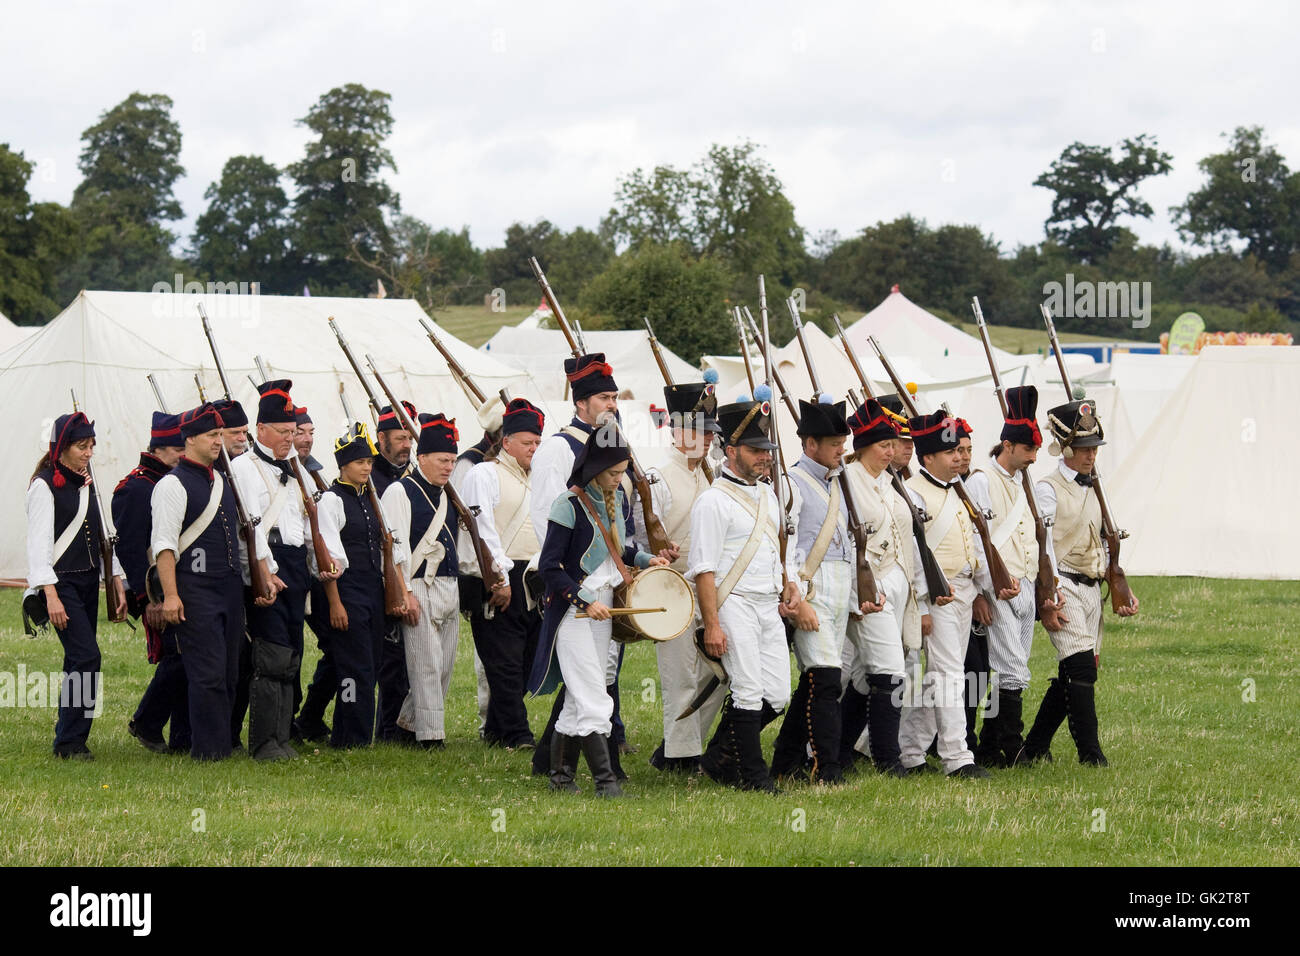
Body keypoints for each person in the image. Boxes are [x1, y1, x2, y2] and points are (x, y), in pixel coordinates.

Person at [531, 430, 670, 796]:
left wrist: (645, 558)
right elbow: (550, 566)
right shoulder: (567, 505)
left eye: (622, 472)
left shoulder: (613, 499)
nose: (618, 479)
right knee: (594, 694)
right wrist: (581, 599)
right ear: (593, 469)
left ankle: (561, 778)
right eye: (612, 473)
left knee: (580, 694)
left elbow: (616, 549)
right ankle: (606, 783)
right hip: (574, 612)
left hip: (604, 607)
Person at [528, 353, 638, 775]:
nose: (612, 404)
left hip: (606, 579)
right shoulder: (558, 448)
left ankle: (555, 764)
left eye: (613, 397)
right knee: (586, 676)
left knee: (596, 673)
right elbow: (547, 516)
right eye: (605, 398)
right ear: (582, 404)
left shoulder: (613, 444)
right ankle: (598, 769)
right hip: (574, 583)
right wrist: (569, 582)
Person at [689, 398, 803, 793]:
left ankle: (720, 758)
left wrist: (788, 583)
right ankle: (754, 777)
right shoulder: (713, 501)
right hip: (732, 601)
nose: (764, 459)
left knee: (776, 693)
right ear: (732, 450)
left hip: (766, 604)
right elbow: (704, 570)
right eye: (756, 451)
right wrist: (712, 626)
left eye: (766, 452)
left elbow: (775, 547)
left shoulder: (768, 495)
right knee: (749, 690)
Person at [151, 403, 273, 760]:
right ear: (190, 440)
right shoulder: (171, 485)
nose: (219, 441)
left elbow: (244, 533)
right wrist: (171, 596)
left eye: (221, 434)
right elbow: (164, 546)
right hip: (195, 588)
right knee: (207, 674)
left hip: (228, 587)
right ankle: (209, 752)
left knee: (230, 670)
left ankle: (220, 743)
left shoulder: (221, 480)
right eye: (211, 435)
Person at [1021, 398, 1139, 766]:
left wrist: (1119, 578)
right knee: (1082, 670)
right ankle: (1091, 754)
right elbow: (1045, 546)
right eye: (1085, 448)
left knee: (1074, 671)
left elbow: (1105, 539)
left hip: (1091, 588)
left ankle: (1035, 746)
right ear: (1067, 447)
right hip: (1064, 584)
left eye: (1094, 449)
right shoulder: (1047, 488)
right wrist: (1050, 592)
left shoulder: (1093, 486)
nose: (1091, 456)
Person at [899, 410, 1014, 779]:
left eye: (962, 452)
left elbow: (973, 546)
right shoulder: (913, 493)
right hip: (938, 593)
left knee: (940, 674)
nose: (961, 458)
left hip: (963, 590)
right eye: (952, 453)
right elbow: (915, 554)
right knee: (949, 675)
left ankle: (912, 751)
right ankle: (957, 757)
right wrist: (921, 602)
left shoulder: (959, 490)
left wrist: (985, 586)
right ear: (928, 456)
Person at [964, 387, 1059, 767]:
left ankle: (992, 746)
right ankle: (1009, 744)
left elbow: (1040, 537)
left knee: (1012, 670)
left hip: (1026, 586)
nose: (1034, 457)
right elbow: (977, 541)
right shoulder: (982, 480)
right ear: (1008, 444)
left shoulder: (1025, 482)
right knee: (1011, 669)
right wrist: (986, 589)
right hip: (1000, 588)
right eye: (1028, 450)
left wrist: (1045, 586)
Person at [26, 410, 128, 759]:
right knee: (87, 657)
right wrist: (49, 594)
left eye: (91, 446)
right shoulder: (43, 486)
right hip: (62, 584)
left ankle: (69, 738)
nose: (88, 453)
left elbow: (101, 536)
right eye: (82, 446)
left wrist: (114, 578)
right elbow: (38, 547)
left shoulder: (86, 481)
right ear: (62, 448)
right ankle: (70, 742)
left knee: (79, 659)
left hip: (85, 582)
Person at [229, 379, 322, 761]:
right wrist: (264, 571)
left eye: (292, 432)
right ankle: (264, 742)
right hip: (268, 563)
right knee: (271, 658)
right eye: (283, 432)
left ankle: (282, 736)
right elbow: (249, 526)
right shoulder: (243, 468)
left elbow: (304, 523)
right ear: (261, 430)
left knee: (293, 654)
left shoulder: (295, 467)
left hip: (296, 564)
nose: (290, 439)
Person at [639, 381, 725, 774]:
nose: (706, 439)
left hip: (707, 588)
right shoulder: (656, 477)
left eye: (710, 431)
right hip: (671, 588)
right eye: (698, 430)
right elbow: (642, 537)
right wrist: (659, 554)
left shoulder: (709, 475)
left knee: (720, 675)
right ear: (676, 430)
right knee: (680, 679)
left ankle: (676, 746)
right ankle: (680, 756)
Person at [770, 397, 855, 785]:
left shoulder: (838, 484)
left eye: (843, 441)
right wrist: (796, 596)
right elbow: (784, 544)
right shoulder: (791, 483)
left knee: (818, 679)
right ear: (810, 445)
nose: (842, 449)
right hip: (810, 586)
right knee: (823, 680)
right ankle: (827, 769)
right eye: (835, 443)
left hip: (840, 587)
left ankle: (786, 760)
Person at [462, 398, 547, 750]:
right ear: (507, 441)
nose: (533, 449)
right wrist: (498, 577)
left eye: (538, 443)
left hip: (533, 578)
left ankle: (497, 729)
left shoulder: (540, 478)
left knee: (526, 660)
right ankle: (518, 733)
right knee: (505, 662)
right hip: (497, 576)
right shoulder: (484, 473)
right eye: (527, 443)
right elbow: (481, 528)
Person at [840, 399, 917, 776]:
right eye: (883, 445)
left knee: (861, 675)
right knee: (890, 673)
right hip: (868, 586)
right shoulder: (847, 481)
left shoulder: (890, 481)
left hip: (899, 584)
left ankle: (839, 749)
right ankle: (888, 759)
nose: (891, 452)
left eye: (893, 445)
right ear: (863, 446)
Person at [381, 414, 462, 749]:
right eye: (443, 460)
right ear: (423, 457)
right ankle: (431, 737)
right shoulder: (400, 491)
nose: (448, 467)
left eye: (453, 461)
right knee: (425, 665)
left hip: (449, 586)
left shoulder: (448, 496)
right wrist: (406, 593)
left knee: (443, 666)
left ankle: (409, 725)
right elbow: (395, 546)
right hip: (418, 585)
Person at [115, 411, 189, 754]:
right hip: (155, 589)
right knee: (177, 656)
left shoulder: (173, 481)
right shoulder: (136, 488)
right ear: (160, 449)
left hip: (180, 584)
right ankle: (147, 721)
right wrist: (149, 600)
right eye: (178, 450)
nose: (183, 457)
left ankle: (179, 734)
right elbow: (131, 550)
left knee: (188, 655)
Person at [312, 425, 387, 748]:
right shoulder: (331, 500)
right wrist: (335, 602)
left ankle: (350, 731)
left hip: (372, 589)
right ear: (344, 465)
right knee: (354, 669)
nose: (366, 468)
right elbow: (329, 559)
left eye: (369, 462)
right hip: (347, 591)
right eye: (360, 463)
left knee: (369, 664)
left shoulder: (370, 497)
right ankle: (351, 738)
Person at [451, 395, 504, 743]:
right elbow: (467, 523)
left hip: (506, 564)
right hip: (477, 568)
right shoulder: (469, 465)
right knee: (489, 654)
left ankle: (502, 719)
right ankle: (490, 723)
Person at [370, 400, 416, 743]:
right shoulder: (369, 475)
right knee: (388, 662)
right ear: (381, 438)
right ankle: (387, 729)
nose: (407, 444)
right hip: (380, 576)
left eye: (409, 438)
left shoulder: (412, 476)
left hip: (409, 571)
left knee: (408, 660)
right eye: (400, 438)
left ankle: (401, 726)